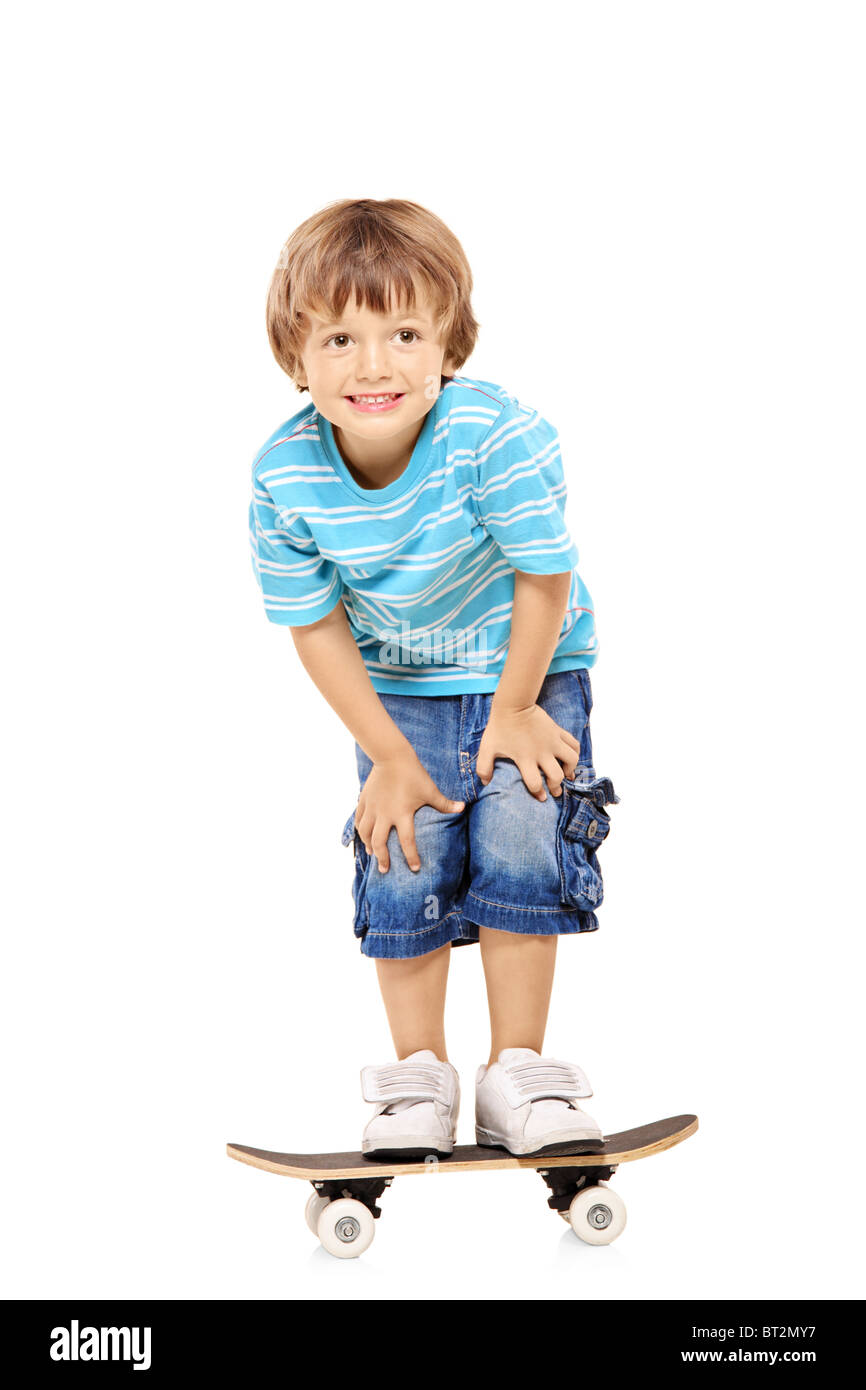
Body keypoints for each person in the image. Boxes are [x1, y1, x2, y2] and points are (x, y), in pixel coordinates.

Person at [249, 198, 618, 1159]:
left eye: (405, 332)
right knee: (401, 848)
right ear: (296, 356)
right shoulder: (285, 476)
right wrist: (385, 755)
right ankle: (419, 1075)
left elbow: (545, 574)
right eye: (340, 338)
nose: (374, 365)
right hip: (399, 688)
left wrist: (516, 706)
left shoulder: (492, 436)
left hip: (528, 666)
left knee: (523, 833)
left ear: (450, 343)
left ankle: (518, 1071)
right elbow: (315, 623)